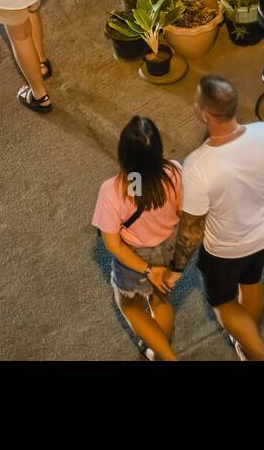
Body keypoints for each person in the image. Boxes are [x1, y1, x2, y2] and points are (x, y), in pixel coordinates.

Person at [165, 76, 264, 361]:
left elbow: (192, 228)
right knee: (251, 282)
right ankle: (246, 339)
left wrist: (176, 268)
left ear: (204, 114)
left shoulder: (197, 165)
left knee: (223, 301)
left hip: (226, 250)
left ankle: (261, 355)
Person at [91, 116, 183, 361]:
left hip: (136, 258)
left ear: (123, 154)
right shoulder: (175, 172)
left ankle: (166, 356)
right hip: (169, 246)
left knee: (130, 306)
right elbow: (184, 211)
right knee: (160, 299)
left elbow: (112, 243)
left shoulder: (111, 191)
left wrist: (147, 269)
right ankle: (156, 350)